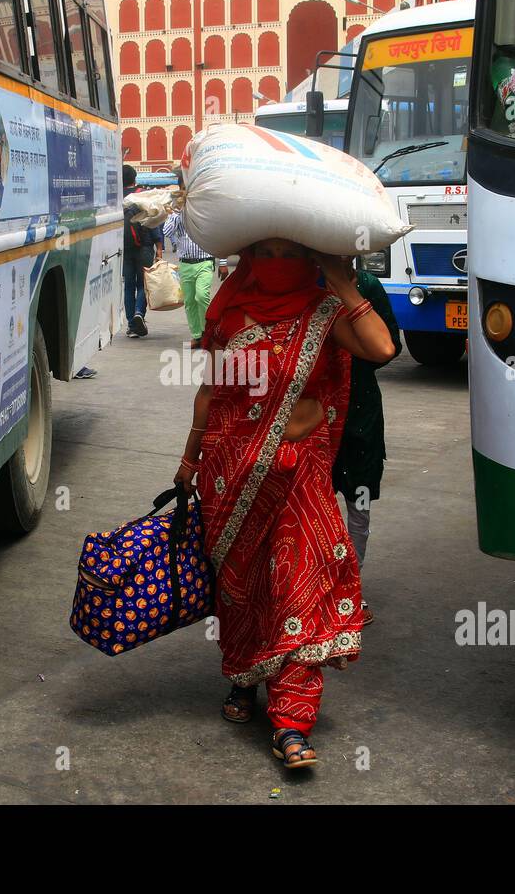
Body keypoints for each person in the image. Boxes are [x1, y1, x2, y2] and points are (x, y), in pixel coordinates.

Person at [174, 238, 396, 769]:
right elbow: (211, 393)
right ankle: (243, 679)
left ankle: (291, 722)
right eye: (266, 252)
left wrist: (340, 280)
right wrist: (188, 461)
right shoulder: (231, 312)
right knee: (241, 589)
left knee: (298, 586)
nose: (278, 264)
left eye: (290, 253)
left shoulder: (323, 312)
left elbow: (382, 350)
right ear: (250, 257)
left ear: (309, 257)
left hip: (303, 476)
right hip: (235, 474)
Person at [331, 269, 401, 624]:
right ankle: (315, 589)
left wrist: (358, 340)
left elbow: (390, 348)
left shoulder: (368, 286)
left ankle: (349, 589)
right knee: (314, 505)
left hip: (360, 416)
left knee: (359, 504)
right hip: (316, 415)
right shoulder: (305, 282)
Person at [162, 175, 227, 347]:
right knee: (190, 301)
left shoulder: (206, 211)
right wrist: (178, 212)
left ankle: (208, 332)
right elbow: (167, 232)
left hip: (205, 261)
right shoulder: (177, 213)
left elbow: (218, 236)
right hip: (186, 263)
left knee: (202, 296)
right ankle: (197, 335)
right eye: (184, 189)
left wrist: (222, 263)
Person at [121, 165, 164, 337]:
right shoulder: (143, 194)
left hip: (124, 249)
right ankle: (139, 313)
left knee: (128, 286)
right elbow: (153, 220)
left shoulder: (116, 197)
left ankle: (132, 325)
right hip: (145, 246)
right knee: (143, 284)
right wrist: (159, 247)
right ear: (135, 178)